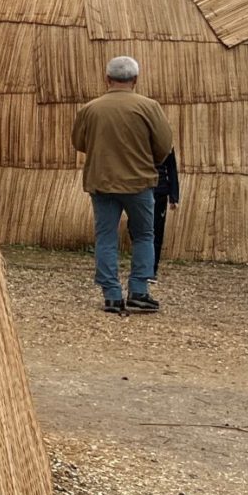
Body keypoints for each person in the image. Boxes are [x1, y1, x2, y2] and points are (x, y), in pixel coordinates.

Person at [72, 55, 176, 315]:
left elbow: (79, 142)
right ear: (135, 80)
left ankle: (112, 296)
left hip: (102, 181)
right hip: (138, 182)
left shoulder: (90, 109)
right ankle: (139, 291)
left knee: (105, 237)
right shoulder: (149, 107)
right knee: (144, 235)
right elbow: (164, 145)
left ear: (107, 79)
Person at [151, 148, 180, 273]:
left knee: (157, 230)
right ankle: (142, 264)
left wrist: (174, 196)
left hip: (159, 190)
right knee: (135, 228)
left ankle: (152, 268)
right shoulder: (137, 136)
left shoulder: (166, 140)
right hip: (138, 188)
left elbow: (171, 168)